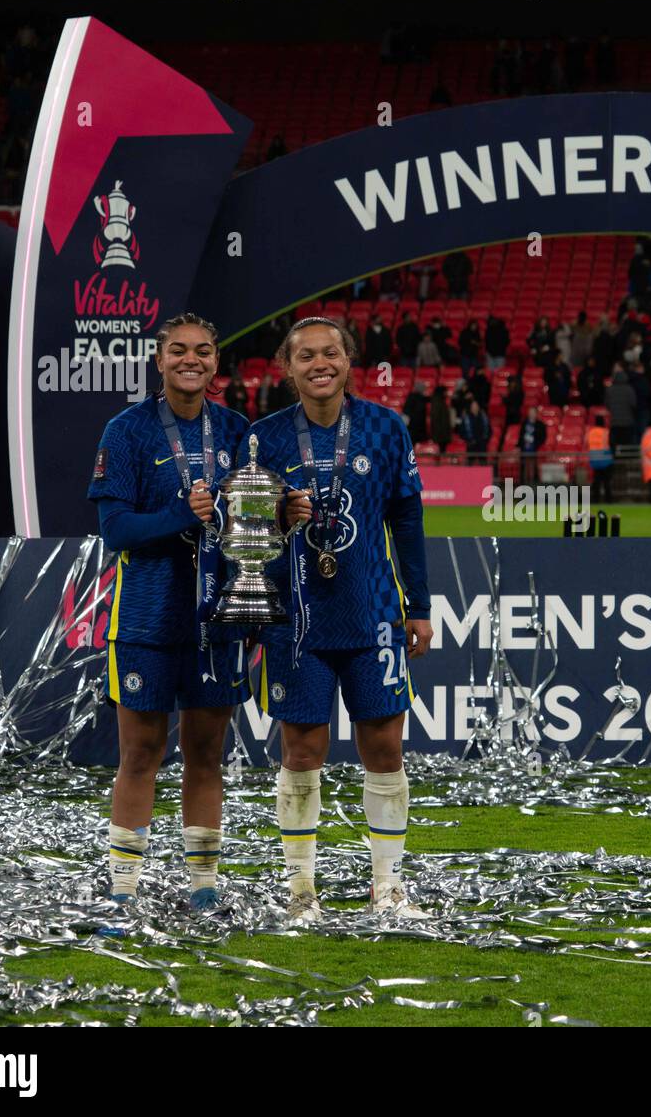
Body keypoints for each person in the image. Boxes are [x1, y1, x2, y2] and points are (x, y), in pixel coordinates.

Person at [240, 316, 433, 922]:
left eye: (330, 353)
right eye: (305, 356)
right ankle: (301, 889)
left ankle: (389, 885)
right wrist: (277, 519)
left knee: (384, 747)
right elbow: (244, 536)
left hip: (373, 611)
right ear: (287, 367)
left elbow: (407, 522)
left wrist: (419, 607)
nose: (319, 364)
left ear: (349, 360)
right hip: (295, 620)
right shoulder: (263, 439)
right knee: (301, 752)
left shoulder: (384, 427)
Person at [86, 313, 251, 915]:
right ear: (158, 362)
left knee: (207, 756)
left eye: (203, 351)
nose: (191, 359)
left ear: (215, 362)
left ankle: (203, 886)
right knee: (140, 755)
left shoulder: (236, 430)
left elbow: (253, 523)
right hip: (146, 621)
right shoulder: (126, 431)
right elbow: (116, 530)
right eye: (178, 350)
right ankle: (123, 890)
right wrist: (185, 513)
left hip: (217, 621)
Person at [586, 411, 613, 503]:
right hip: (606, 461)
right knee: (606, 482)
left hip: (594, 461)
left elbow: (588, 445)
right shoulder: (606, 432)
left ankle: (595, 500)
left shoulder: (590, 433)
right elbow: (611, 444)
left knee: (596, 482)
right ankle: (608, 501)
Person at [519, 406, 546, 485]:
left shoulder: (540, 425)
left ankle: (533, 485)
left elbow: (542, 438)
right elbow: (521, 436)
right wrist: (519, 446)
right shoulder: (524, 424)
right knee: (524, 469)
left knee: (532, 468)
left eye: (533, 412)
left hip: (534, 450)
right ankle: (523, 485)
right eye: (530, 412)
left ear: (536, 414)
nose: (531, 414)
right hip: (524, 451)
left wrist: (536, 444)